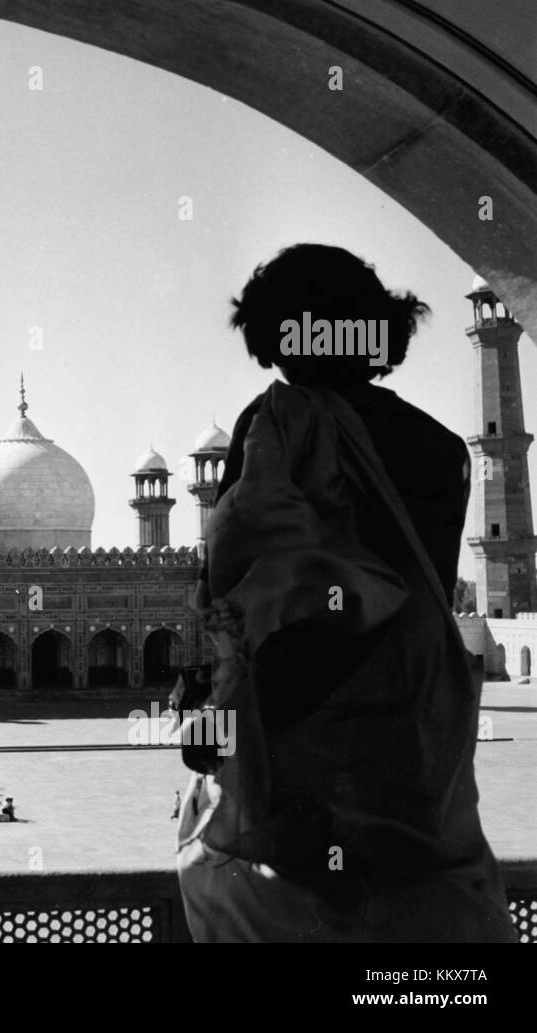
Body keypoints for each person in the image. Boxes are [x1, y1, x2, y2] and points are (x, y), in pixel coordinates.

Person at [179, 243, 513, 943]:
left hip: (306, 774)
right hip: (423, 750)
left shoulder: (279, 424)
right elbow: (405, 596)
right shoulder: (441, 447)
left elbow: (261, 602)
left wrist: (217, 708)